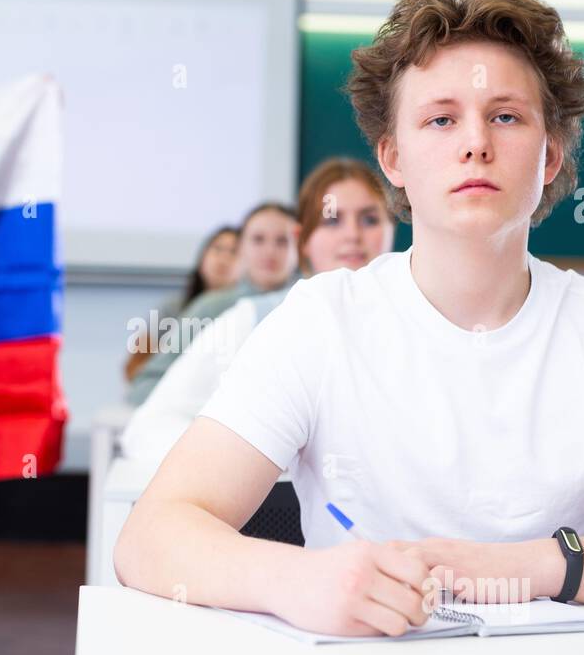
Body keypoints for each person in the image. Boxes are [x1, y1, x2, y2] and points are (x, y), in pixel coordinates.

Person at [114, 0, 584, 636]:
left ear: (549, 156)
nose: (476, 144)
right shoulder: (320, 320)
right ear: (393, 157)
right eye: (441, 120)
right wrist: (296, 580)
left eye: (506, 117)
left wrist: (541, 564)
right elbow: (151, 536)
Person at [120, 157, 394, 468]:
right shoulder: (254, 318)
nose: (352, 235)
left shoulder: (416, 319)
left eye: (370, 220)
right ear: (302, 239)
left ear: (391, 227)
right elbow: (151, 424)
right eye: (332, 220)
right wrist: (247, 467)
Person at [126, 202, 300, 405]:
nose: (270, 251)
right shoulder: (209, 307)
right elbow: (145, 384)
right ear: (241, 247)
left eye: (282, 241)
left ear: (302, 246)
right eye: (258, 239)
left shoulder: (309, 309)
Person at [124, 225, 239, 383]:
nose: (223, 259)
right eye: (217, 249)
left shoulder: (244, 312)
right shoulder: (172, 307)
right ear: (202, 256)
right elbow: (133, 367)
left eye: (234, 252)